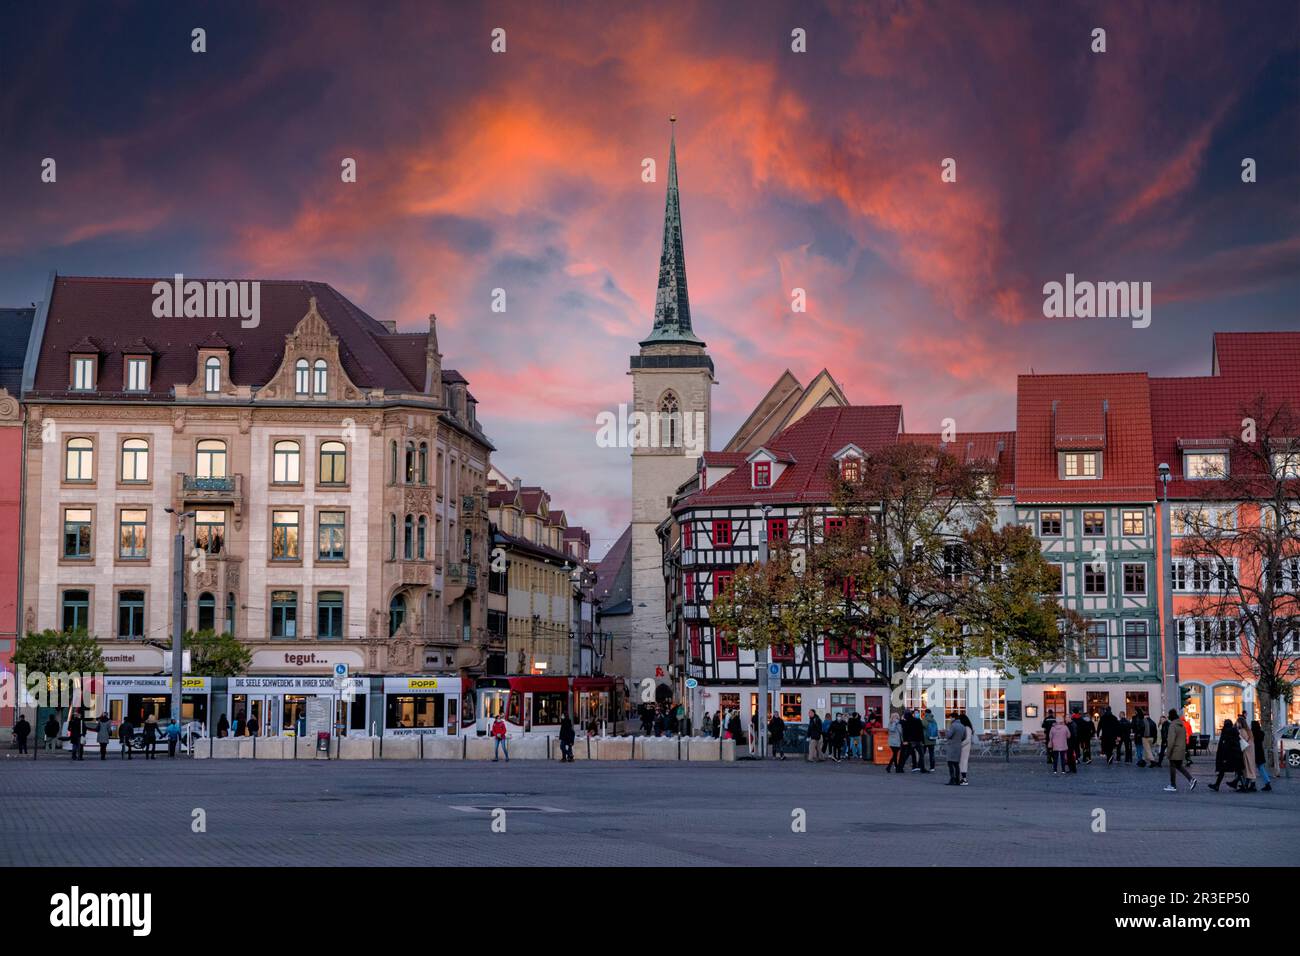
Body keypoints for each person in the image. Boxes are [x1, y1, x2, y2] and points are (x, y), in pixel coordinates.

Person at [1162, 709, 1196, 792]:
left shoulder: (1172, 725)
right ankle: (1191, 779)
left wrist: (1168, 752)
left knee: (1173, 766)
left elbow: (1171, 740)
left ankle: (1173, 785)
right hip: (1181, 748)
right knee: (1179, 766)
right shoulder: (1181, 725)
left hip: (1174, 749)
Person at [1208, 719, 1243, 791]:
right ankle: (1238, 784)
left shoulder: (1226, 732)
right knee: (1238, 770)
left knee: (1222, 770)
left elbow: (1225, 746)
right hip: (1237, 754)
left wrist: (1223, 756)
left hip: (1228, 755)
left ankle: (1217, 785)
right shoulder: (1235, 731)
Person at [1236, 716, 1258, 793]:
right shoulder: (1249, 730)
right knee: (1251, 766)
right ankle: (1252, 784)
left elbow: (1242, 739)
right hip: (1251, 749)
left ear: (1240, 723)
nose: (1237, 723)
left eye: (1238, 722)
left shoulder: (1242, 730)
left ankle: (1246, 784)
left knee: (1247, 766)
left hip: (1246, 749)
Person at [944, 714, 967, 785]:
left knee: (950, 763)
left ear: (953, 718)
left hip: (951, 746)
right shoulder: (963, 726)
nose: (950, 719)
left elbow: (948, 735)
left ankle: (952, 779)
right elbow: (964, 737)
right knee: (956, 764)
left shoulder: (953, 725)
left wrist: (946, 731)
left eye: (950, 718)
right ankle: (957, 780)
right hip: (958, 746)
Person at [1251, 719, 1272, 792]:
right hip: (1260, 752)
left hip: (1255, 752)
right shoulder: (1261, 733)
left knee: (1253, 769)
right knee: (1261, 768)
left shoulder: (1252, 733)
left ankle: (1253, 784)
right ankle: (1267, 782)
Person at [958, 711, 974, 783]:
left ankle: (964, 779)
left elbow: (968, 739)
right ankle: (962, 778)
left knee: (963, 762)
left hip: (965, 748)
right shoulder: (967, 727)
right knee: (962, 762)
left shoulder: (967, 728)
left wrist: (960, 745)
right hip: (964, 747)